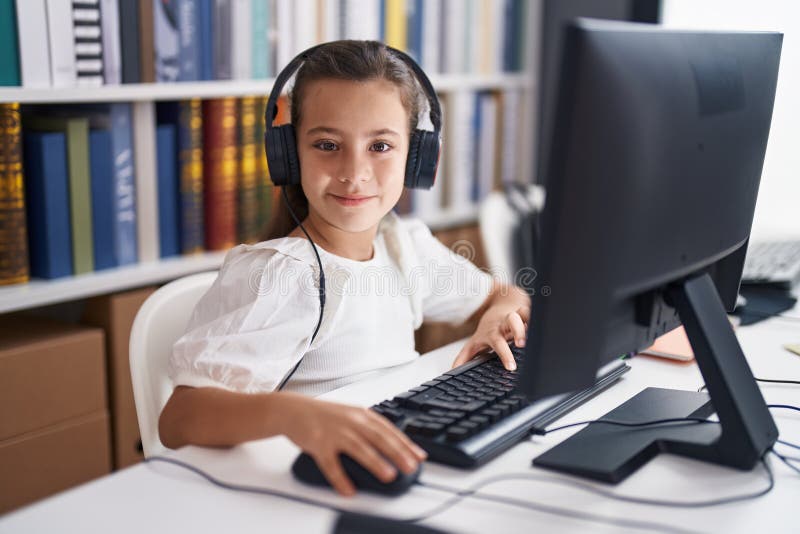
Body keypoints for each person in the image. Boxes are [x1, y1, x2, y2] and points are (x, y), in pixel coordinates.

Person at [159, 40, 531, 496]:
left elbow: (506, 294)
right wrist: (294, 414)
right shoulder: (286, 274)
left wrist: (497, 312)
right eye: (327, 144)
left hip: (388, 463)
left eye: (380, 145)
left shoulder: (402, 246)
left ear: (416, 157)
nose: (354, 173)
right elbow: (180, 419)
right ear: (289, 155)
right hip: (304, 493)